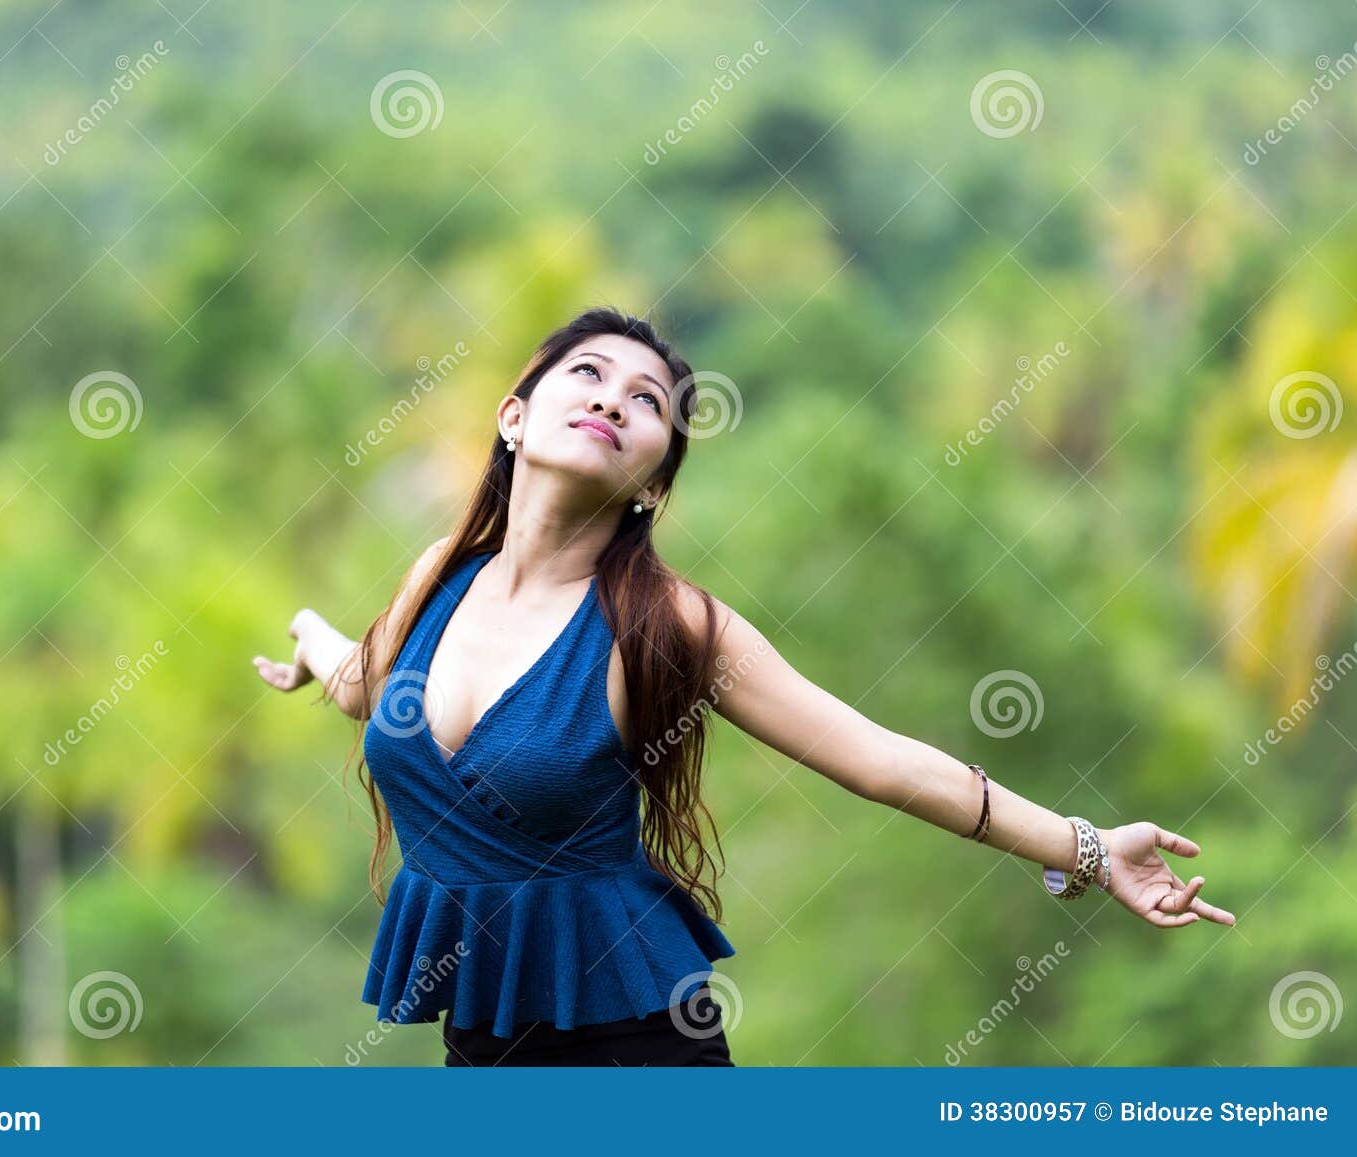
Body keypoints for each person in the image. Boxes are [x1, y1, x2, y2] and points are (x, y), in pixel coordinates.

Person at [253, 306, 1236, 1066]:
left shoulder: (667, 623)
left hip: (634, 1039)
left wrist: (1090, 849)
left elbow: (881, 763)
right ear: (515, 416)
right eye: (587, 374)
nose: (612, 398)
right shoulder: (438, 574)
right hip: (483, 1033)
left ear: (650, 483)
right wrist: (308, 635)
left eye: (647, 402)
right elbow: (368, 685)